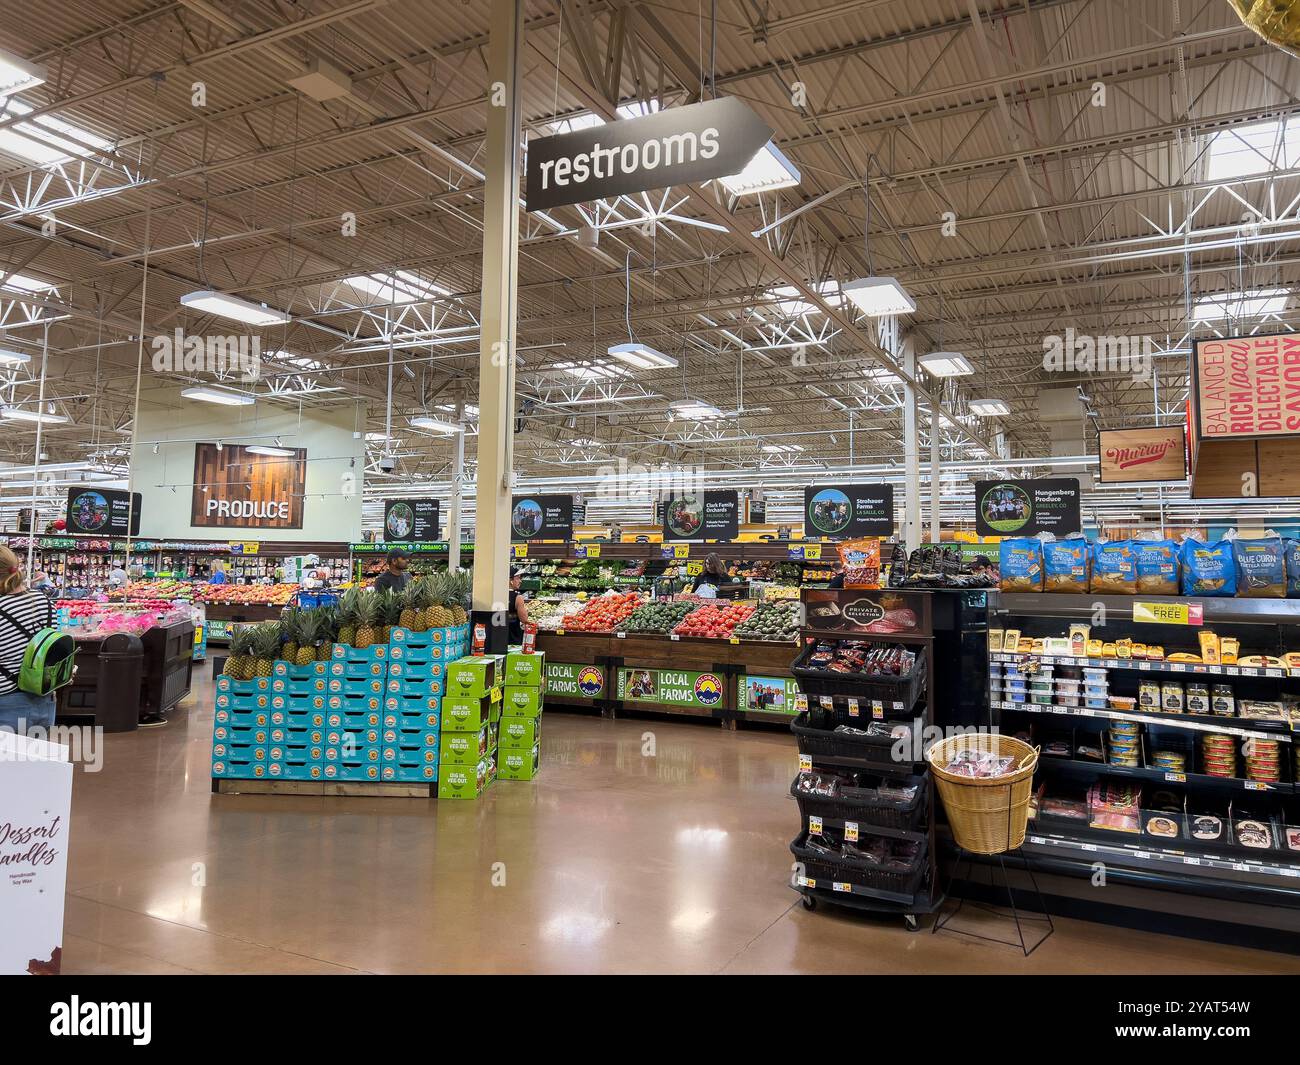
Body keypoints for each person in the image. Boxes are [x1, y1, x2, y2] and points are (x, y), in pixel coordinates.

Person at [0, 546, 57, 734]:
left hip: (7, 703)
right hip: (44, 700)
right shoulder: (43, 601)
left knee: (7, 763)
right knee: (33, 761)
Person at [507, 567, 529, 643]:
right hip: (512, 636)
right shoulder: (518, 597)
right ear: (511, 580)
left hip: (496, 636)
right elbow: (524, 619)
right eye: (518, 578)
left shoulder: (495, 595)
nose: (520, 581)